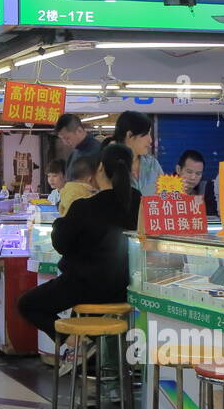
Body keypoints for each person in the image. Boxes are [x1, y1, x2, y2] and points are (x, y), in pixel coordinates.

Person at [17, 143, 142, 372]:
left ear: (100, 169)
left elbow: (61, 243)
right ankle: (92, 353)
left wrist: (61, 219)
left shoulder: (86, 206)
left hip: (85, 286)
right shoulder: (140, 202)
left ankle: (75, 341)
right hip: (125, 288)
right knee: (80, 314)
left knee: (28, 304)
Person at [105, 110, 163, 196]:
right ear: (129, 135)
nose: (150, 140)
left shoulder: (153, 164)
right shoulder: (108, 165)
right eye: (146, 134)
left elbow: (165, 195)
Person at [175, 149, 218, 217]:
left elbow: (212, 218)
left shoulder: (206, 187)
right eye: (189, 172)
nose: (193, 177)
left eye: (198, 174)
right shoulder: (165, 187)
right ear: (178, 169)